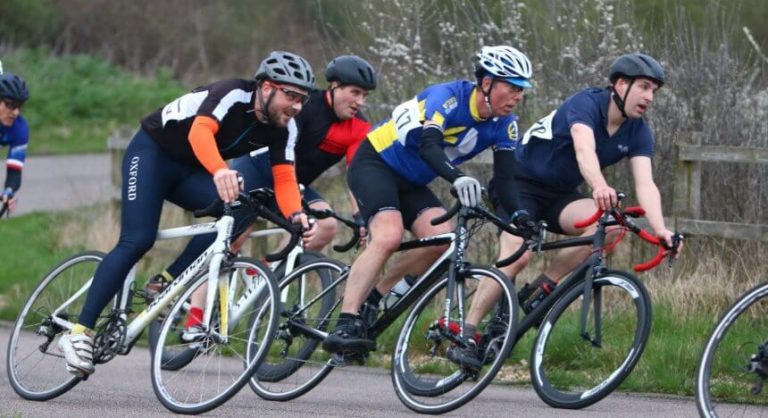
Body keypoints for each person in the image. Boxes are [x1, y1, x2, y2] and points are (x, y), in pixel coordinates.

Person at [57, 50, 316, 378]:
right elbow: (199, 133)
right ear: (266, 88)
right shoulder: (232, 93)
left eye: (302, 99)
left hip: (190, 170)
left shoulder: (285, 128)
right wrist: (220, 171)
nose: (297, 106)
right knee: (138, 239)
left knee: (241, 212)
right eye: (291, 95)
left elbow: (284, 177)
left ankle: (166, 281)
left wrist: (295, 215)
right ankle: (79, 332)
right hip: (152, 153)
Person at [452, 52, 681, 371]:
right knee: (517, 255)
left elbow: (646, 184)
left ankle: (542, 288)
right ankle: (466, 332)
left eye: (654, 90)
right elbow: (584, 148)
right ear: (621, 84)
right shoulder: (586, 103)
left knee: (611, 226)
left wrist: (662, 230)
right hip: (519, 184)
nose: (649, 97)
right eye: (643, 87)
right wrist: (599, 185)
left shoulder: (638, 130)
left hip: (559, 196)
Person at [321, 45, 533, 357]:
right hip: (376, 163)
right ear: (487, 83)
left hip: (412, 182)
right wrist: (457, 177)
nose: (517, 96)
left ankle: (374, 299)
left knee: (443, 241)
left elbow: (505, 180)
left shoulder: (506, 125)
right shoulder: (448, 98)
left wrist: (519, 214)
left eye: (521, 90)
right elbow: (428, 146)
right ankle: (345, 321)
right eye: (512, 87)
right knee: (389, 236)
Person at [146, 55, 378, 335]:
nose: (360, 101)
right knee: (234, 233)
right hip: (258, 169)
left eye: (365, 96)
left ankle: (265, 273)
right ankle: (191, 306)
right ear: (334, 86)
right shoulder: (303, 105)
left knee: (326, 225)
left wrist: (361, 215)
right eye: (355, 92)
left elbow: (355, 174)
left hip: (292, 184)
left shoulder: (358, 127)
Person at [0, 72, 30, 214]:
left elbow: (14, 171)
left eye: (19, 106)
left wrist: (8, 191)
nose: (16, 112)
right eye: (10, 105)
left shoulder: (19, 129)